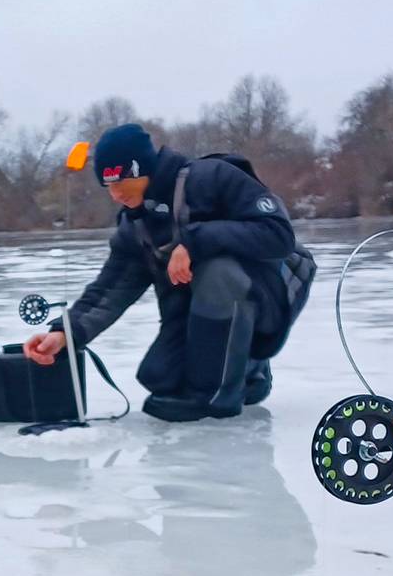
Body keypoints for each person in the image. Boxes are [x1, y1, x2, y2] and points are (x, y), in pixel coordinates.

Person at [23, 123, 312, 422]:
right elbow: (110, 290)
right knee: (159, 377)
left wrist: (194, 241)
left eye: (120, 182)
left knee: (218, 272)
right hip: (203, 313)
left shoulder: (212, 178)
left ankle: (218, 396)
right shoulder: (136, 225)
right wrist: (64, 333)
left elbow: (278, 235)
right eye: (108, 186)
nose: (115, 193)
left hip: (271, 293)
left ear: (142, 170)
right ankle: (249, 370)